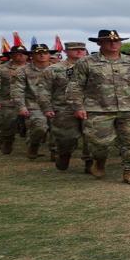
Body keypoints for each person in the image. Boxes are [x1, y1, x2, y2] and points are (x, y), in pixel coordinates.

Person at [67, 29, 130, 183]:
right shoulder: (86, 62)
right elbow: (75, 86)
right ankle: (99, 162)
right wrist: (78, 107)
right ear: (100, 43)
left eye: (116, 41)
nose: (113, 44)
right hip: (98, 109)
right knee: (99, 144)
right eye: (109, 41)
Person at [45, 41, 90, 170]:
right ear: (66, 52)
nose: (79, 51)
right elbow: (44, 90)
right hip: (64, 108)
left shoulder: (93, 67)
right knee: (67, 137)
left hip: (90, 106)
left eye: (82, 49)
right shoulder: (54, 69)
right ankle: (64, 155)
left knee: (91, 136)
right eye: (75, 49)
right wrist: (47, 108)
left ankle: (90, 162)